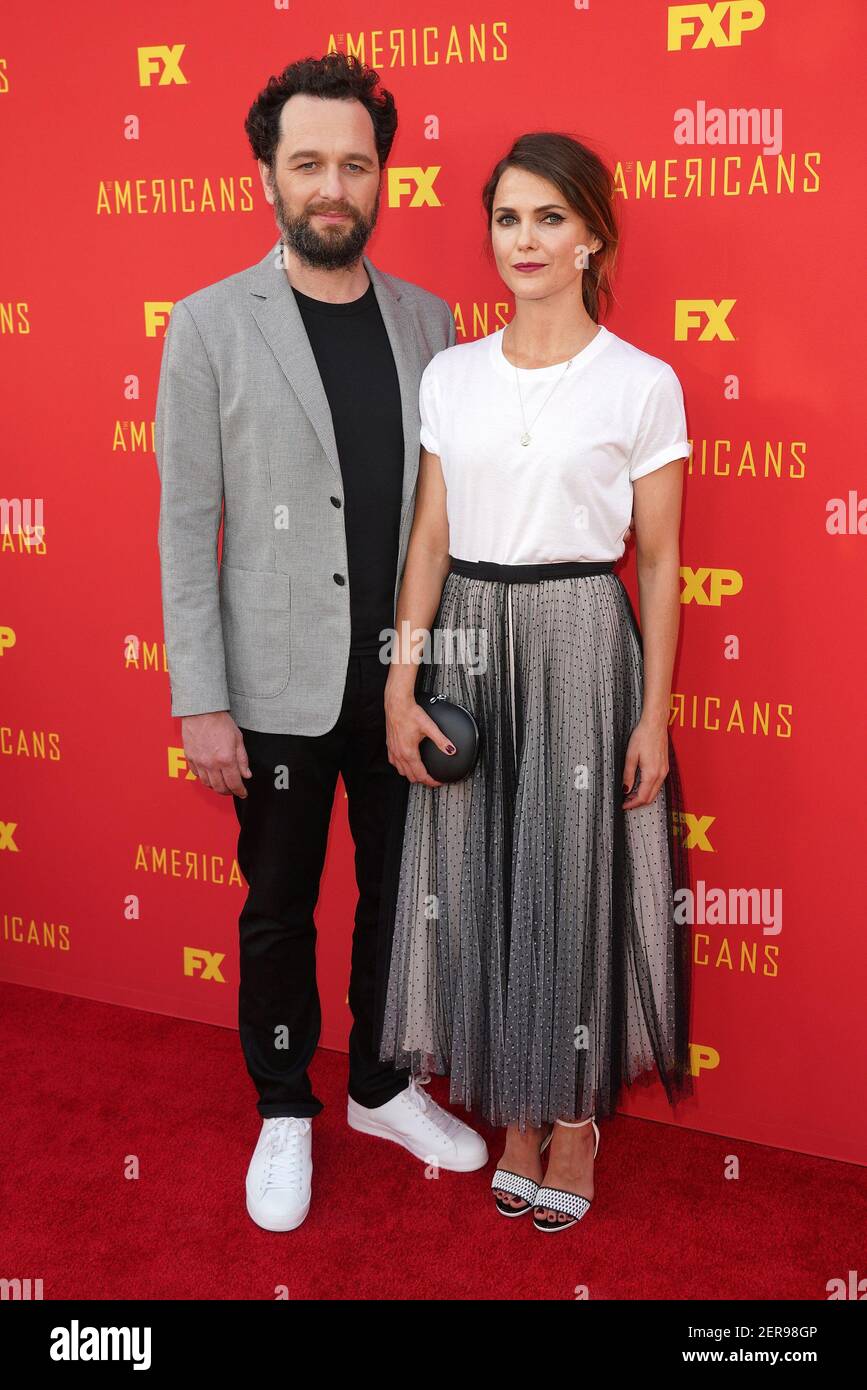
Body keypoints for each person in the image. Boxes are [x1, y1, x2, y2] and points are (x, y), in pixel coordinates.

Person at [153, 52, 487, 1235]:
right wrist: (202, 696)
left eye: (355, 161)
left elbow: (441, 514)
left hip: (400, 677)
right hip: (274, 683)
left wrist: (442, 667)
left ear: (382, 173)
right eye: (309, 163)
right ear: (267, 177)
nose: (333, 184)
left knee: (403, 895)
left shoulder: (429, 321)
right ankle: (286, 1100)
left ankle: (386, 1085)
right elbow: (187, 522)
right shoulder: (205, 327)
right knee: (281, 899)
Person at [378, 132, 694, 1233]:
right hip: (466, 633)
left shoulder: (642, 382)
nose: (525, 239)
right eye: (508, 217)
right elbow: (427, 535)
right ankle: (512, 1104)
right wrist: (398, 680)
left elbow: (656, 561)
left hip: (578, 642)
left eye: (549, 218)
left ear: (593, 235)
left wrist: (652, 709)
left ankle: (570, 1118)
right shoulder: (450, 374)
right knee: (476, 880)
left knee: (570, 882)